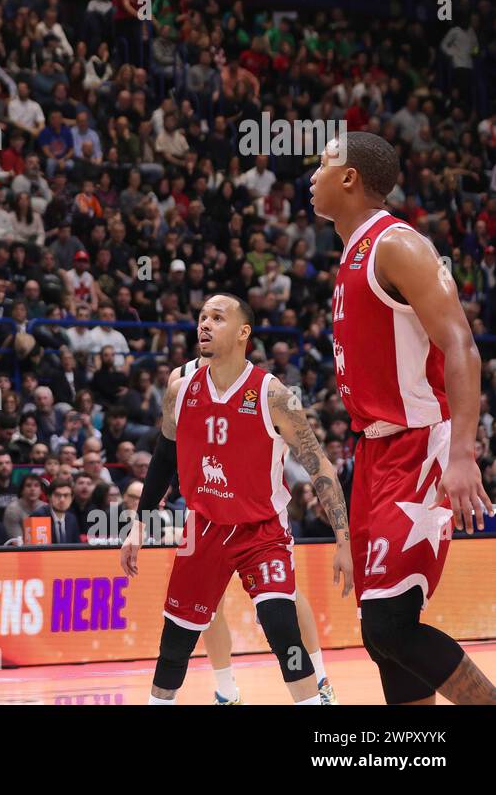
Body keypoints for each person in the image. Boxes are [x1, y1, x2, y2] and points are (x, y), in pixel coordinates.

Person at [312, 131, 496, 704]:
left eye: (322, 164)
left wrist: (463, 454)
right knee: (381, 635)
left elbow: (462, 346)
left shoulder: (398, 245)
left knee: (391, 625)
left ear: (349, 179)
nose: (312, 175)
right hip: (375, 453)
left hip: (420, 446)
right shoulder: (352, 255)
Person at [121, 294, 352, 705]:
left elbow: (320, 467)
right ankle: (214, 692)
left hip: (260, 529)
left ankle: (317, 697)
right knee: (175, 640)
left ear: (244, 332)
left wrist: (344, 541)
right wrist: (138, 524)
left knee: (281, 626)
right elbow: (163, 458)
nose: (204, 325)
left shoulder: (273, 394)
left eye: (217, 318)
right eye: (201, 317)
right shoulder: (180, 388)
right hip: (203, 526)